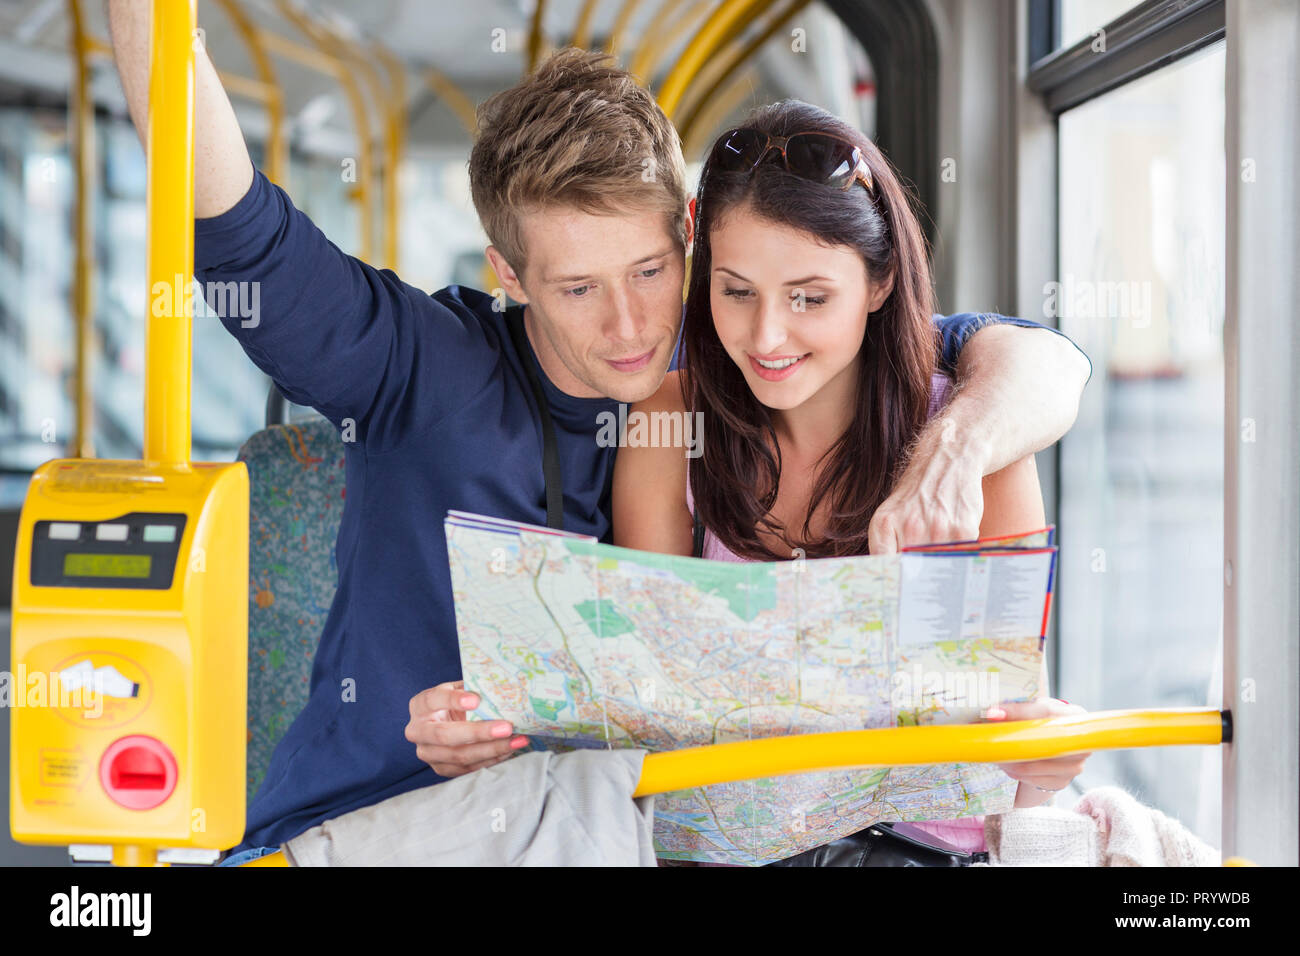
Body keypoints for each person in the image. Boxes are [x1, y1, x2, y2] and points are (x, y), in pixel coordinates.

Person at [107, 2, 1090, 863]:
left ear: (688, 239)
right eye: (577, 288)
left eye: (650, 272)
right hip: (383, 815)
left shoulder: (749, 356)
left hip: (622, 830)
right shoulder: (421, 367)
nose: (629, 326)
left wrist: (956, 447)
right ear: (509, 273)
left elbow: (1027, 360)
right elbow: (236, 229)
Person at [612, 100, 1090, 865]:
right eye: (736, 291)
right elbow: (651, 700)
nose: (767, 336)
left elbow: (1013, 722)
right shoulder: (670, 423)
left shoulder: (976, 435)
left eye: (809, 296)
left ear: (879, 280)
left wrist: (1043, 751)